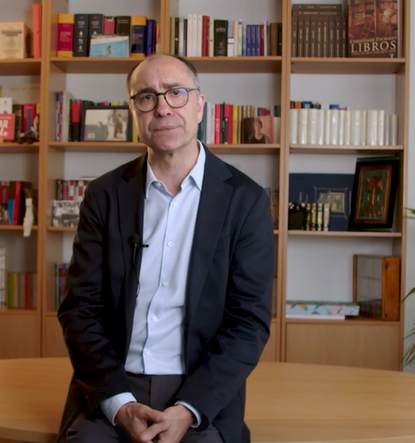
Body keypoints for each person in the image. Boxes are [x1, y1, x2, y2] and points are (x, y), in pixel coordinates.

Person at [56, 53, 276, 443]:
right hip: (113, 386)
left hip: (200, 392)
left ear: (199, 105)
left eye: (176, 93)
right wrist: (119, 403)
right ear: (133, 112)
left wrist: (189, 409)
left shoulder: (246, 200)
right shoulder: (104, 195)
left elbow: (248, 322)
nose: (162, 108)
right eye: (147, 97)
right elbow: (80, 309)